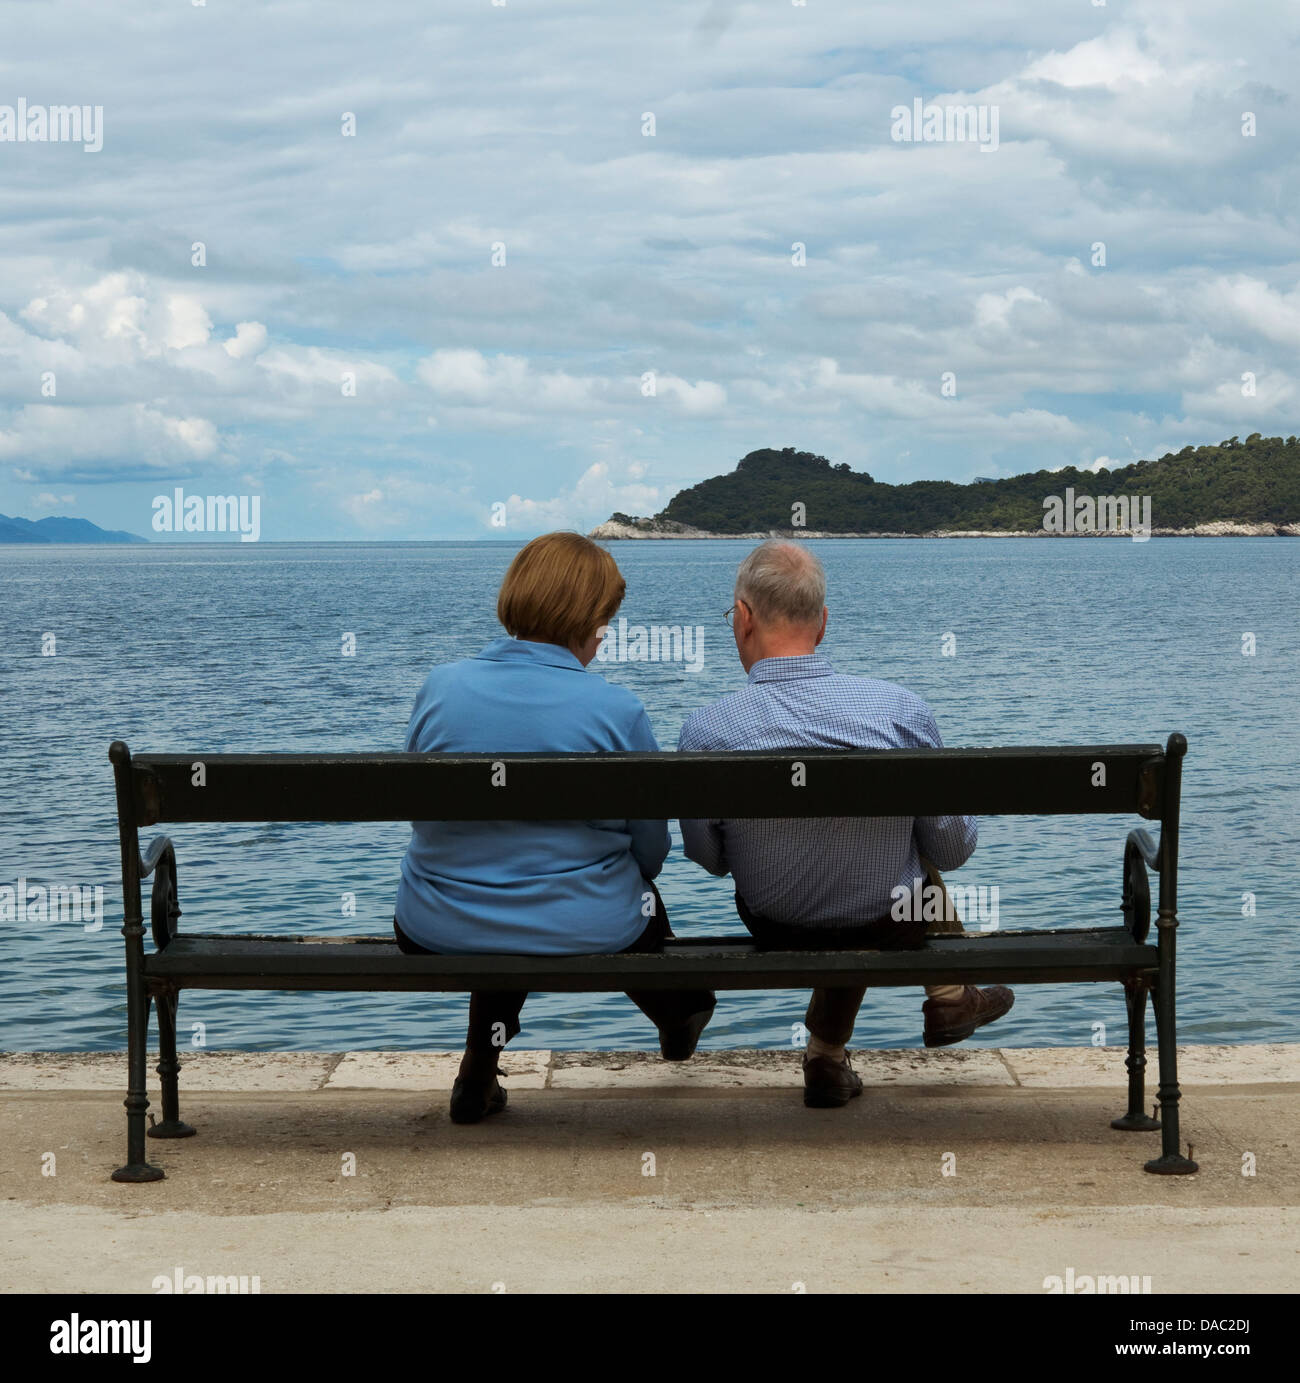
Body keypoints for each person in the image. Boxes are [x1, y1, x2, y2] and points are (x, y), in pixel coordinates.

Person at [677, 539, 1012, 1108]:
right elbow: (953, 849)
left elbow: (709, 860)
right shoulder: (900, 712)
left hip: (775, 922)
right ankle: (949, 992)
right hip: (888, 921)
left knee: (849, 872)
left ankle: (828, 1061)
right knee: (891, 865)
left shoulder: (707, 730)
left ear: (743, 617)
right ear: (823, 622)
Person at [395, 532, 715, 1124]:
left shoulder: (439, 687)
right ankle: (681, 1007)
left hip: (435, 922)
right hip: (583, 922)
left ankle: (478, 1070)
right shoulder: (618, 710)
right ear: (590, 619)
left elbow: (422, 813)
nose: (605, 634)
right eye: (606, 621)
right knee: (609, 894)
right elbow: (652, 847)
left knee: (505, 890)